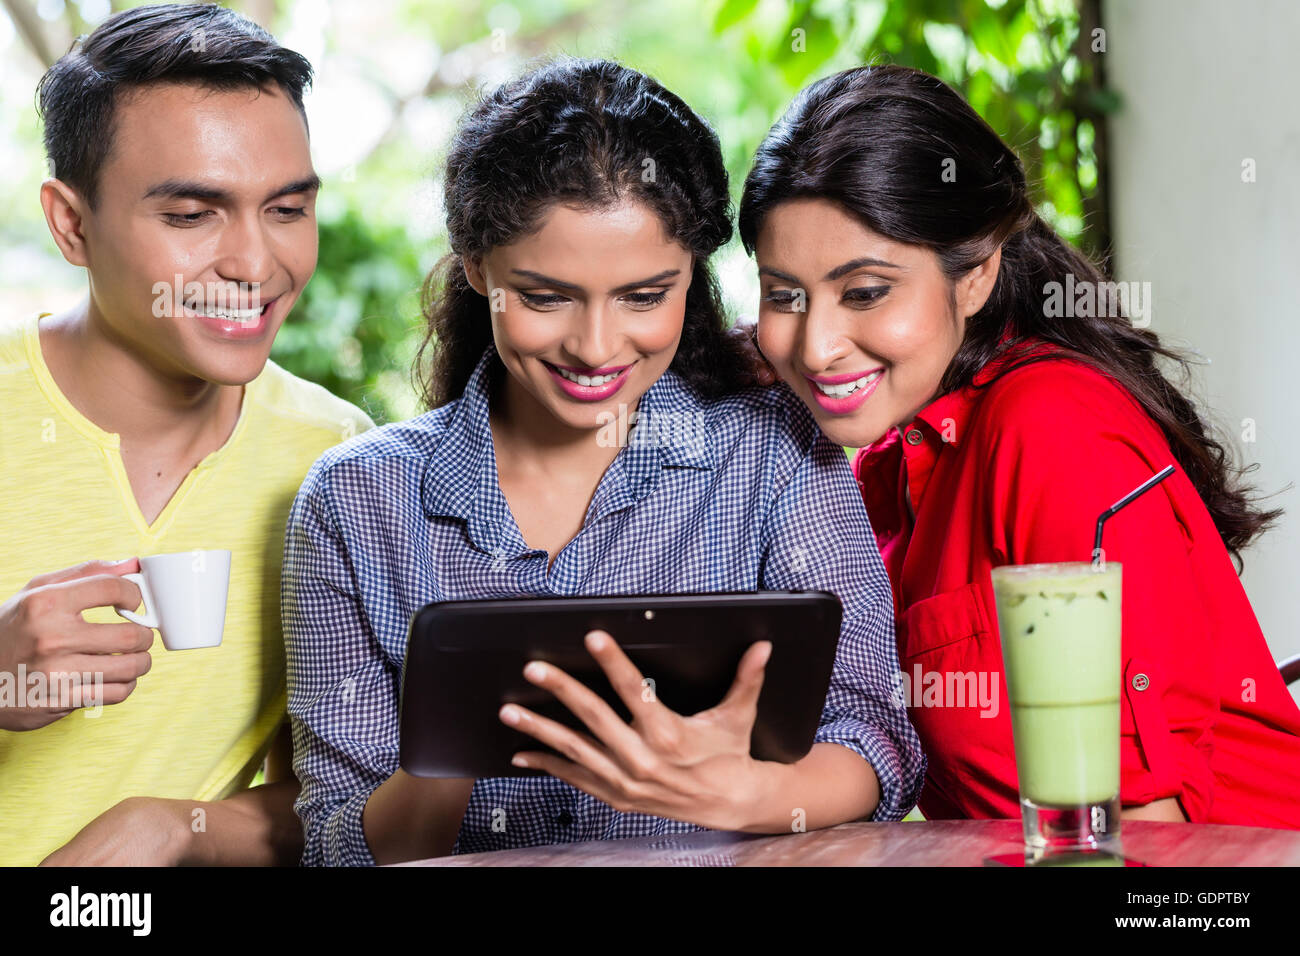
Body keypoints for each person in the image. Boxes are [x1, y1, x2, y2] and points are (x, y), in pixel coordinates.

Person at [282, 58, 925, 865]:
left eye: (644, 296)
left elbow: (877, 744)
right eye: (547, 297)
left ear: (693, 275)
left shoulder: (773, 454)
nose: (594, 348)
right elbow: (332, 846)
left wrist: (740, 791)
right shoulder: (357, 503)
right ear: (478, 267)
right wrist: (447, 746)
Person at [738, 63, 1300, 828]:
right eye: (784, 294)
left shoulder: (1048, 426)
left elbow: (1145, 836)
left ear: (974, 276)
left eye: (866, 292)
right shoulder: (888, 464)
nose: (816, 345)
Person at [0, 3, 374, 866]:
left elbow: (349, 796)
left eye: (285, 208)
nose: (254, 263)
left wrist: (169, 825)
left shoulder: (337, 458)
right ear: (70, 224)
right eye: (190, 216)